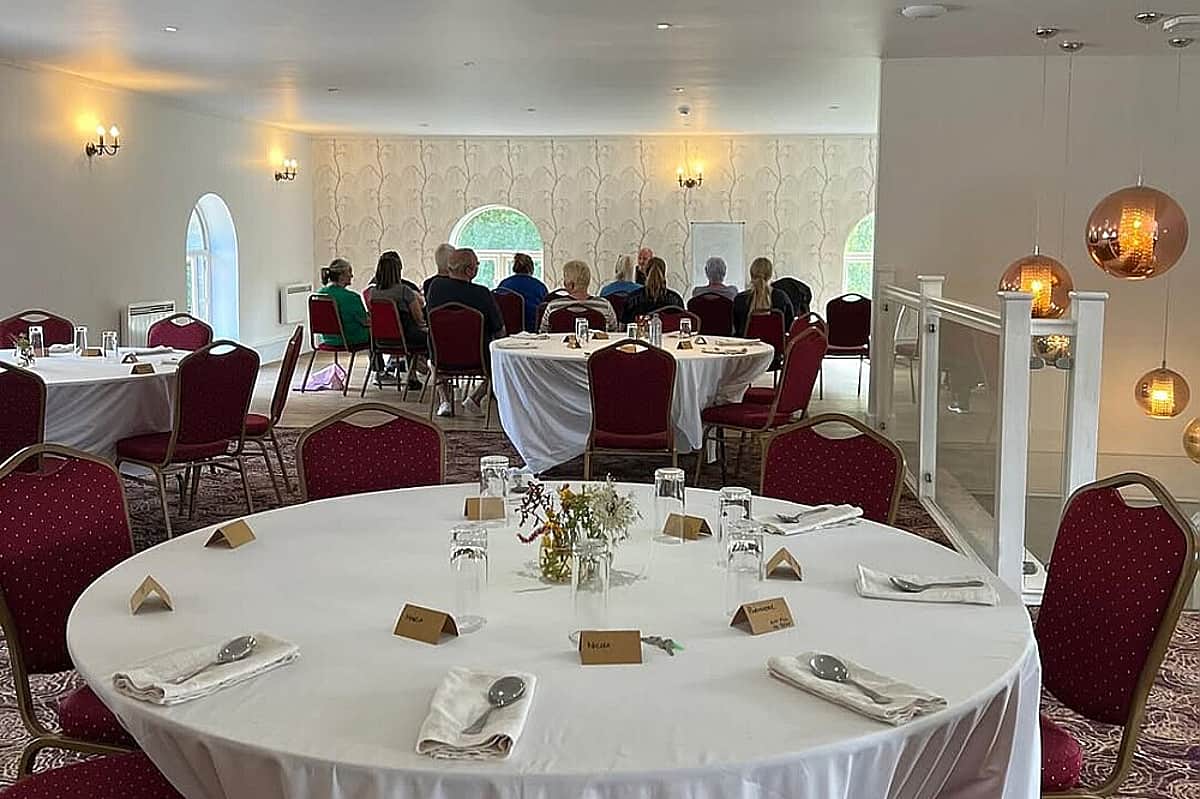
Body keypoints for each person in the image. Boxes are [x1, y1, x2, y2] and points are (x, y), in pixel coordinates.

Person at [426, 248, 506, 418]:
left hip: (441, 355)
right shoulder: (481, 293)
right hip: (478, 357)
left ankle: (444, 399)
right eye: (477, 264)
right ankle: (475, 398)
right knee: (500, 357)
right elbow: (499, 329)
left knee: (432, 349)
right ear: (469, 270)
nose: (477, 267)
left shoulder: (435, 288)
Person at [370, 251, 430, 390]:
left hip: (381, 339)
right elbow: (419, 318)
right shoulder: (405, 291)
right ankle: (423, 373)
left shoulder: (373, 293)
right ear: (398, 270)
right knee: (431, 338)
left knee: (409, 334)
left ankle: (413, 374)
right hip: (406, 337)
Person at [538, 259, 619, 332]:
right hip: (596, 348)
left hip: (560, 348)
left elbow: (543, 333)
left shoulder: (553, 306)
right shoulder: (604, 305)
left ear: (570, 284)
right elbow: (614, 333)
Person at [733, 257, 796, 335]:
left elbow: (737, 329)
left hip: (746, 346)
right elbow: (790, 327)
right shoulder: (781, 298)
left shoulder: (740, 300)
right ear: (769, 276)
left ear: (751, 275)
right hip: (775, 346)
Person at [316, 258, 369, 348]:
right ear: (341, 276)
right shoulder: (352, 297)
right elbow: (366, 322)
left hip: (327, 339)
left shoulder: (319, 294)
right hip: (351, 338)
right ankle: (378, 362)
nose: (351, 275)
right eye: (349, 272)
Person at [496, 252, 549, 332]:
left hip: (507, 330)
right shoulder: (539, 286)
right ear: (531, 268)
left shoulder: (504, 285)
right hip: (532, 330)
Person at [621, 257, 686, 323]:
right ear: (664, 273)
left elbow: (623, 326)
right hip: (671, 333)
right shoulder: (676, 299)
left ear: (645, 273)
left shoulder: (633, 299)